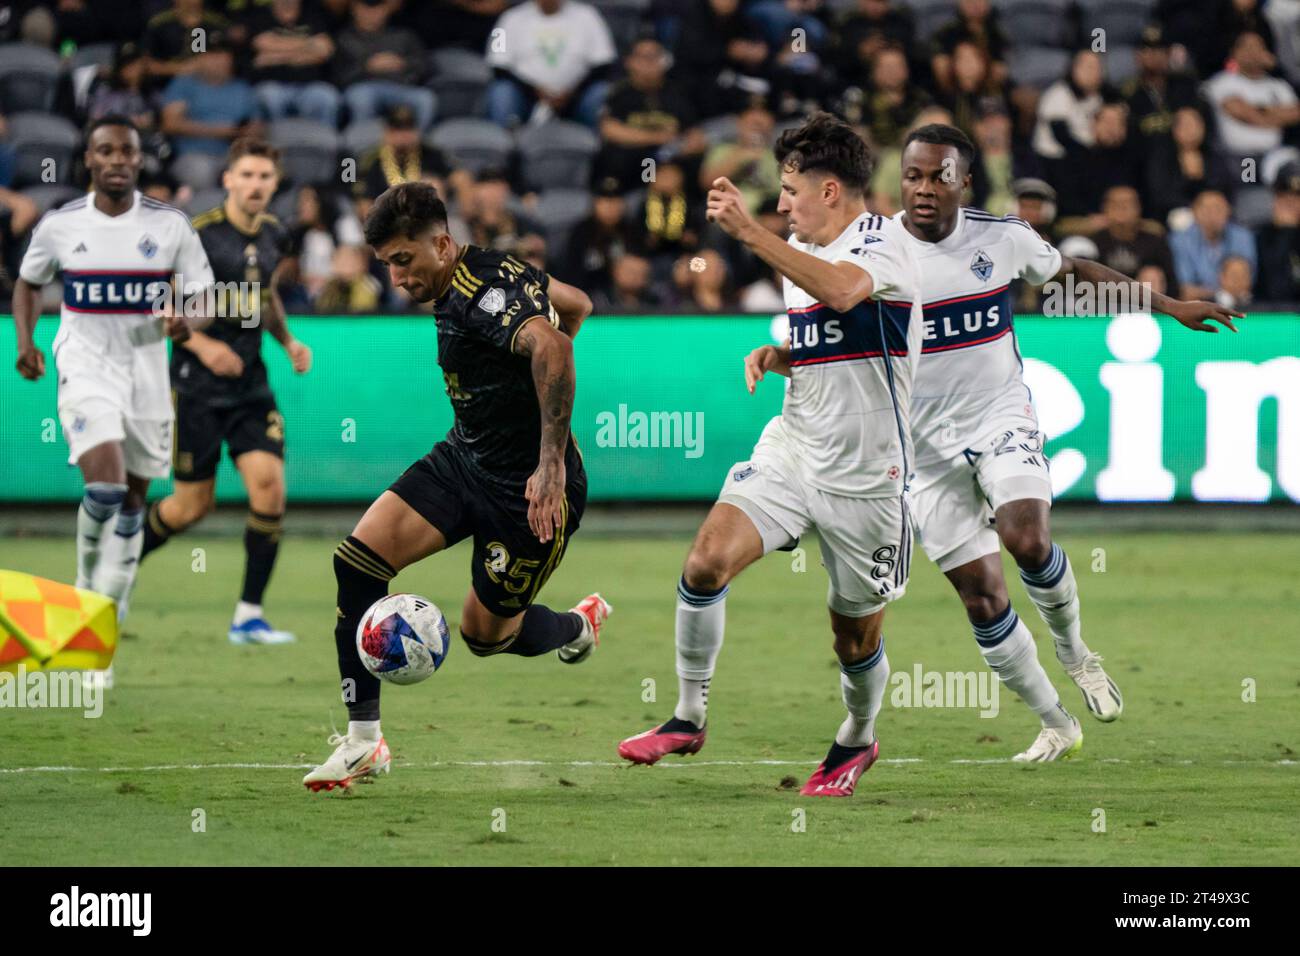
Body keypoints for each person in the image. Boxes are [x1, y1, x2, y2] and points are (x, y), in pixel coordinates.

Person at [816, 125, 1238, 759]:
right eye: (913, 177)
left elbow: (1073, 273)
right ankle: (1055, 721)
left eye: (940, 177)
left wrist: (1166, 303)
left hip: (998, 415)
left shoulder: (1002, 238)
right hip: (921, 451)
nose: (925, 190)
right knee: (983, 598)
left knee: (1026, 536)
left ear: (965, 181)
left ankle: (1074, 648)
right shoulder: (871, 251)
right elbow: (833, 330)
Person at [619, 112, 925, 798]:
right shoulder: (801, 251)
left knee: (853, 638)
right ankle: (688, 716)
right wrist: (785, 355)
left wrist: (749, 234)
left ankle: (857, 737)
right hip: (794, 447)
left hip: (866, 476)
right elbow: (846, 332)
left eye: (790, 189)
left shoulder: (885, 242)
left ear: (830, 191)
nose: (780, 203)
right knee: (704, 562)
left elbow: (846, 291)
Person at [302, 182, 609, 791]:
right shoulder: (487, 266)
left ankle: (578, 627)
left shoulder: (480, 297)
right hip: (464, 459)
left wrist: (549, 463)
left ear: (441, 244)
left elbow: (552, 344)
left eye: (403, 261)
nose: (395, 278)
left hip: (528, 494)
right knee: (357, 564)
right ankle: (365, 743)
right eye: (386, 263)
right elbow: (576, 306)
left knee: (484, 637)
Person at [11, 115, 215, 685]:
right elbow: (29, 283)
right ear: (91, 161)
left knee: (132, 503)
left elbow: (203, 295)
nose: (118, 160)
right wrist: (26, 342)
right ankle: (84, 590)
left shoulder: (170, 226)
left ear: (138, 160)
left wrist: (184, 320)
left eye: (127, 151)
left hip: (147, 372)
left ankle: (105, 619)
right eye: (106, 151)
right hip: (84, 363)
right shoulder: (60, 225)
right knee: (103, 485)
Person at [138, 138, 311, 645]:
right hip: (198, 388)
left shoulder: (276, 234)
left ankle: (248, 615)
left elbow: (267, 295)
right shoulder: (198, 235)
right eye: (248, 175)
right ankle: (117, 567)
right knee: (191, 507)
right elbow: (160, 302)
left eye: (265, 177)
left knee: (270, 490)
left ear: (274, 184)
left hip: (252, 387)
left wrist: (287, 341)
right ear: (229, 180)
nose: (257, 185)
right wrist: (202, 345)